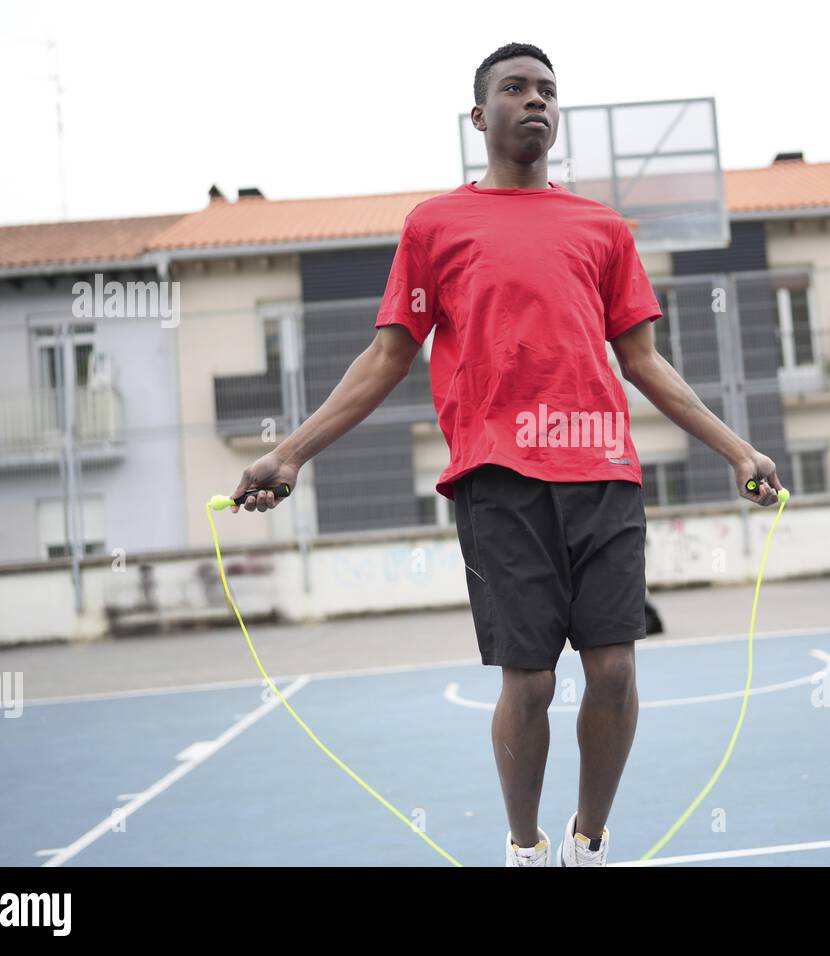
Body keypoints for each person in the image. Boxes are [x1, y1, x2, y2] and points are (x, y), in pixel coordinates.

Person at [229, 42, 785, 867]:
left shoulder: (602, 228)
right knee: (529, 682)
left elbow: (644, 361)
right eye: (515, 89)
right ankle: (524, 848)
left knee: (617, 672)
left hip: (603, 475)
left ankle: (588, 843)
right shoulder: (435, 225)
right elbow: (387, 356)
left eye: (547, 91)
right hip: (500, 483)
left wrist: (739, 449)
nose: (536, 102)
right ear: (478, 116)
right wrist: (292, 454)